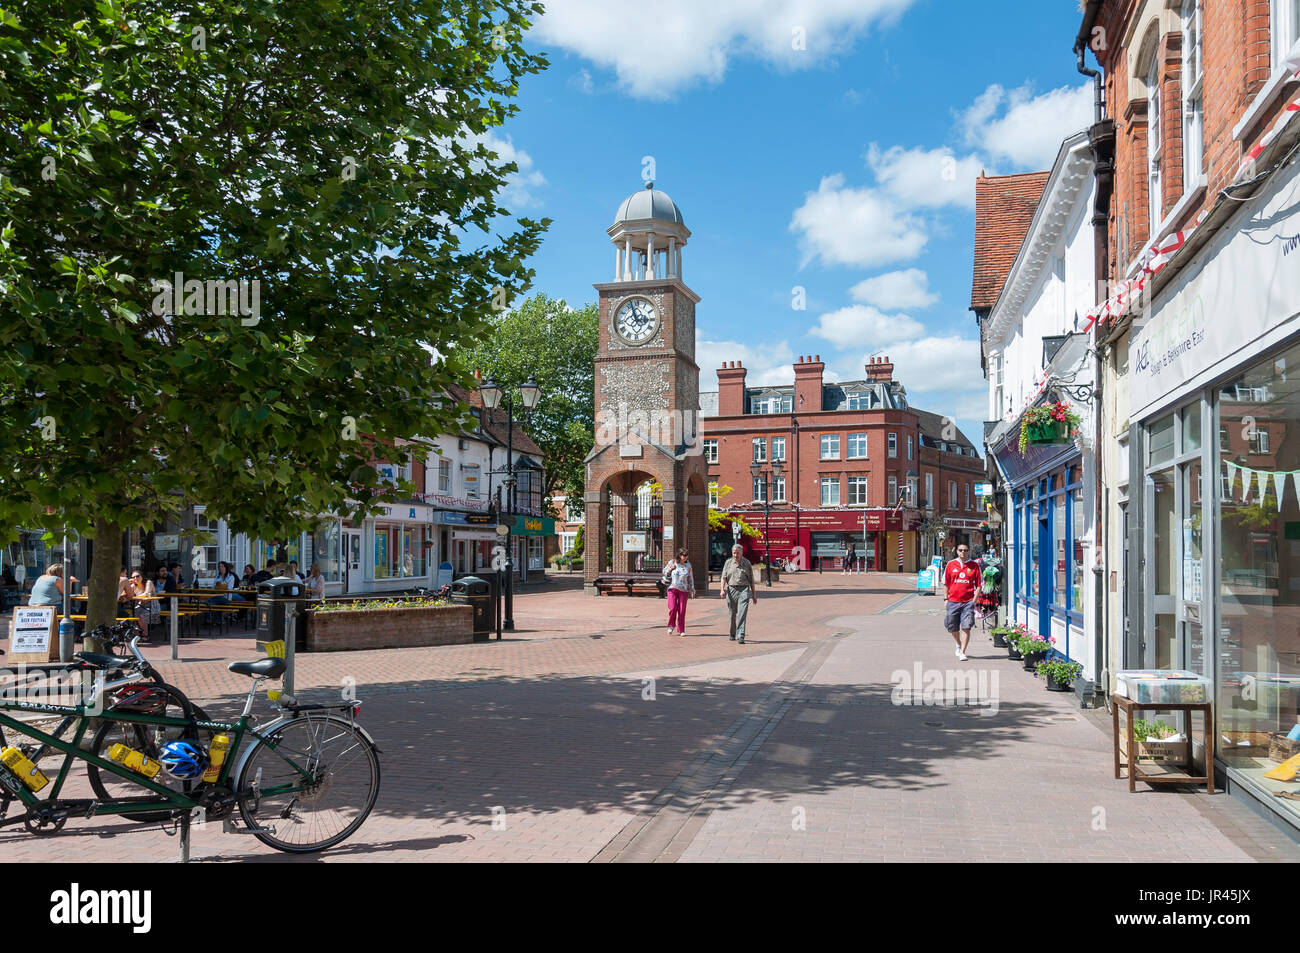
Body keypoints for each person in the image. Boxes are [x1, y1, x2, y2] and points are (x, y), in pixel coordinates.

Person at [943, 543, 981, 661]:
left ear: (968, 551)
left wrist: (973, 601)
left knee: (966, 627)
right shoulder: (950, 564)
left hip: (967, 602)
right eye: (960, 550)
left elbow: (979, 585)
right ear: (957, 551)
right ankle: (958, 643)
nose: (963, 552)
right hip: (953, 601)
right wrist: (946, 599)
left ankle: (963, 652)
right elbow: (946, 583)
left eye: (965, 550)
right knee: (951, 626)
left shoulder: (974, 566)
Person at [720, 544, 757, 644]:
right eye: (734, 553)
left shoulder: (746, 563)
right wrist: (722, 590)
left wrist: (754, 595)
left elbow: (751, 580)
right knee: (732, 614)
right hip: (731, 589)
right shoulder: (728, 563)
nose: (736, 555)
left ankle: (741, 635)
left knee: (742, 613)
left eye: (738, 553)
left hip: (744, 590)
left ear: (742, 553)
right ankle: (732, 633)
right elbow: (723, 577)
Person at [660, 548, 696, 637]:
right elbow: (664, 572)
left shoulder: (688, 566)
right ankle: (671, 625)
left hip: (684, 590)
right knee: (673, 608)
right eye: (684, 555)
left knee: (682, 610)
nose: (685, 557)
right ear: (679, 555)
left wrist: (692, 589)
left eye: (687, 555)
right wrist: (671, 569)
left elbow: (690, 578)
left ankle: (681, 629)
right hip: (672, 588)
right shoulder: (672, 562)